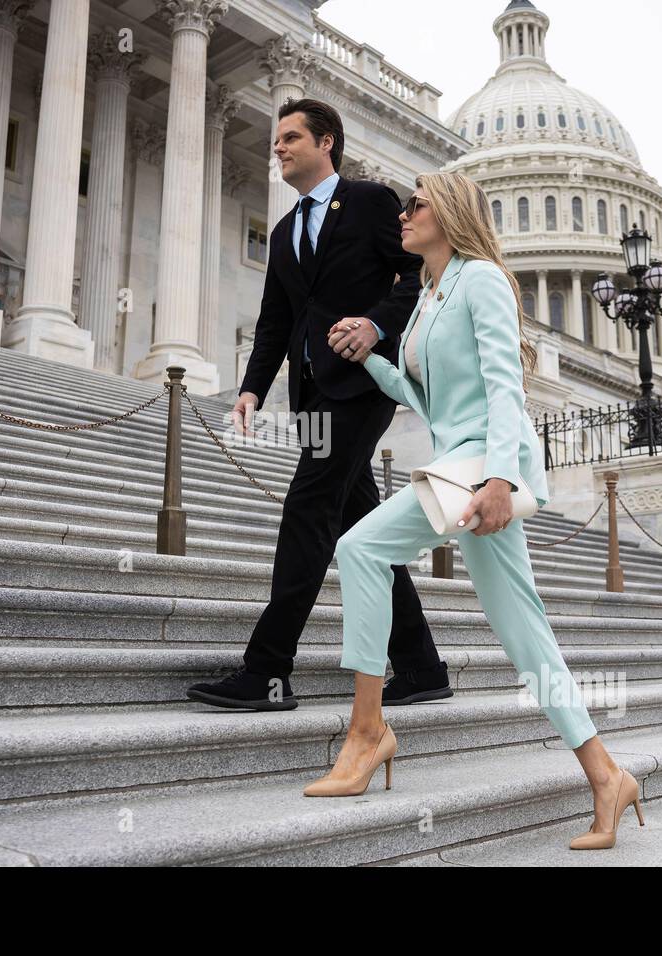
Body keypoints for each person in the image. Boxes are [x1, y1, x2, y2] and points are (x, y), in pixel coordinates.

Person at [306, 170, 645, 851]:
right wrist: (370, 354)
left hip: (480, 467)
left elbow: (503, 387)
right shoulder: (430, 295)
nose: (403, 214)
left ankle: (368, 732)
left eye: (417, 204)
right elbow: (430, 402)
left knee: (361, 549)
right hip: (457, 459)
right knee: (525, 632)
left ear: (450, 211)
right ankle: (607, 775)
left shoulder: (481, 278)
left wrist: (498, 478)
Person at [186, 98, 452, 711]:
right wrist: (253, 385)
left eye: (290, 138)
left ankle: (268, 669)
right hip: (313, 392)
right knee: (361, 523)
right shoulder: (283, 232)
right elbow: (277, 320)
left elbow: (416, 278)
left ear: (325, 142)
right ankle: (421, 666)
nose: (277, 147)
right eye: (276, 139)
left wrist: (375, 326)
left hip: (361, 385)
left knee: (307, 510)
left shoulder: (368, 202)